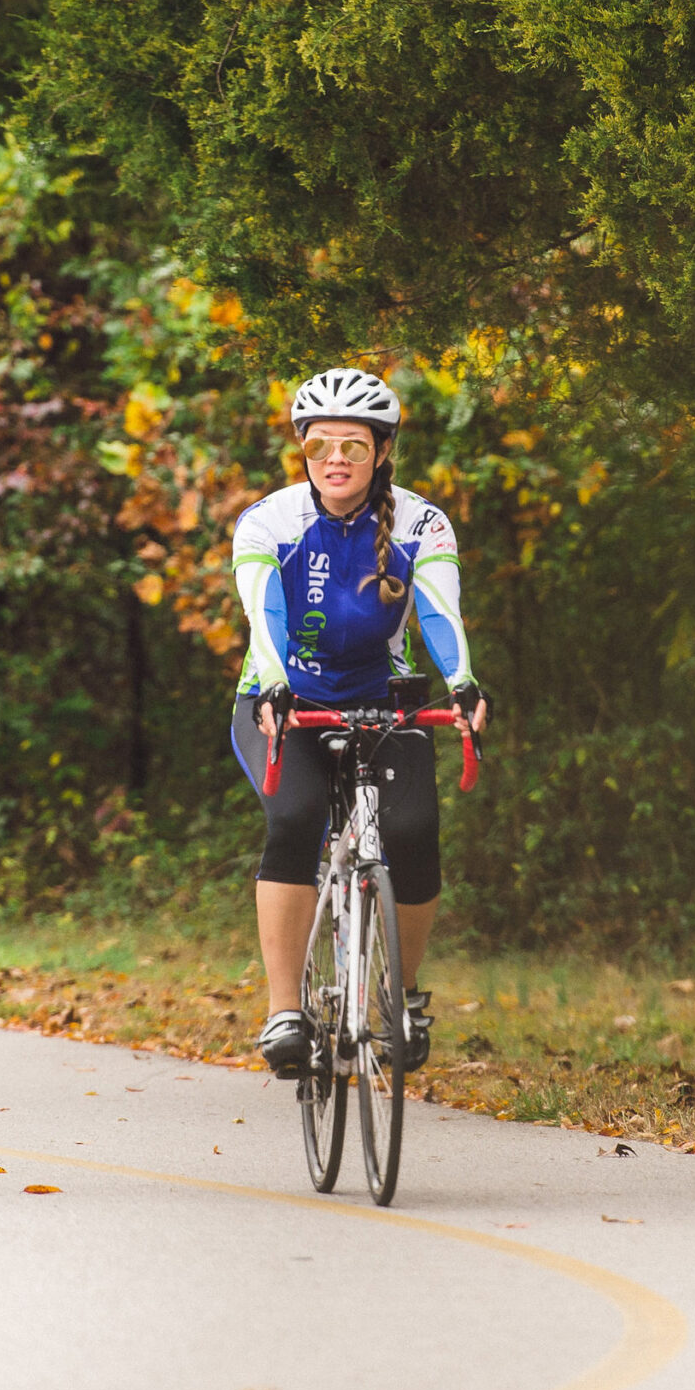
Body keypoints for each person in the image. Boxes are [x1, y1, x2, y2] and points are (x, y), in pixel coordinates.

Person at [230, 367, 488, 1077]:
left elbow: (438, 610)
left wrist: (463, 682)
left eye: (353, 445)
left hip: (386, 696)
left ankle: (399, 997)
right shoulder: (270, 521)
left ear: (381, 453)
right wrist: (277, 686)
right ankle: (286, 1011)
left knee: (411, 831)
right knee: (296, 818)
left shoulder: (421, 522)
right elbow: (265, 617)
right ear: (303, 454)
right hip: (285, 698)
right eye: (319, 447)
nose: (335, 459)